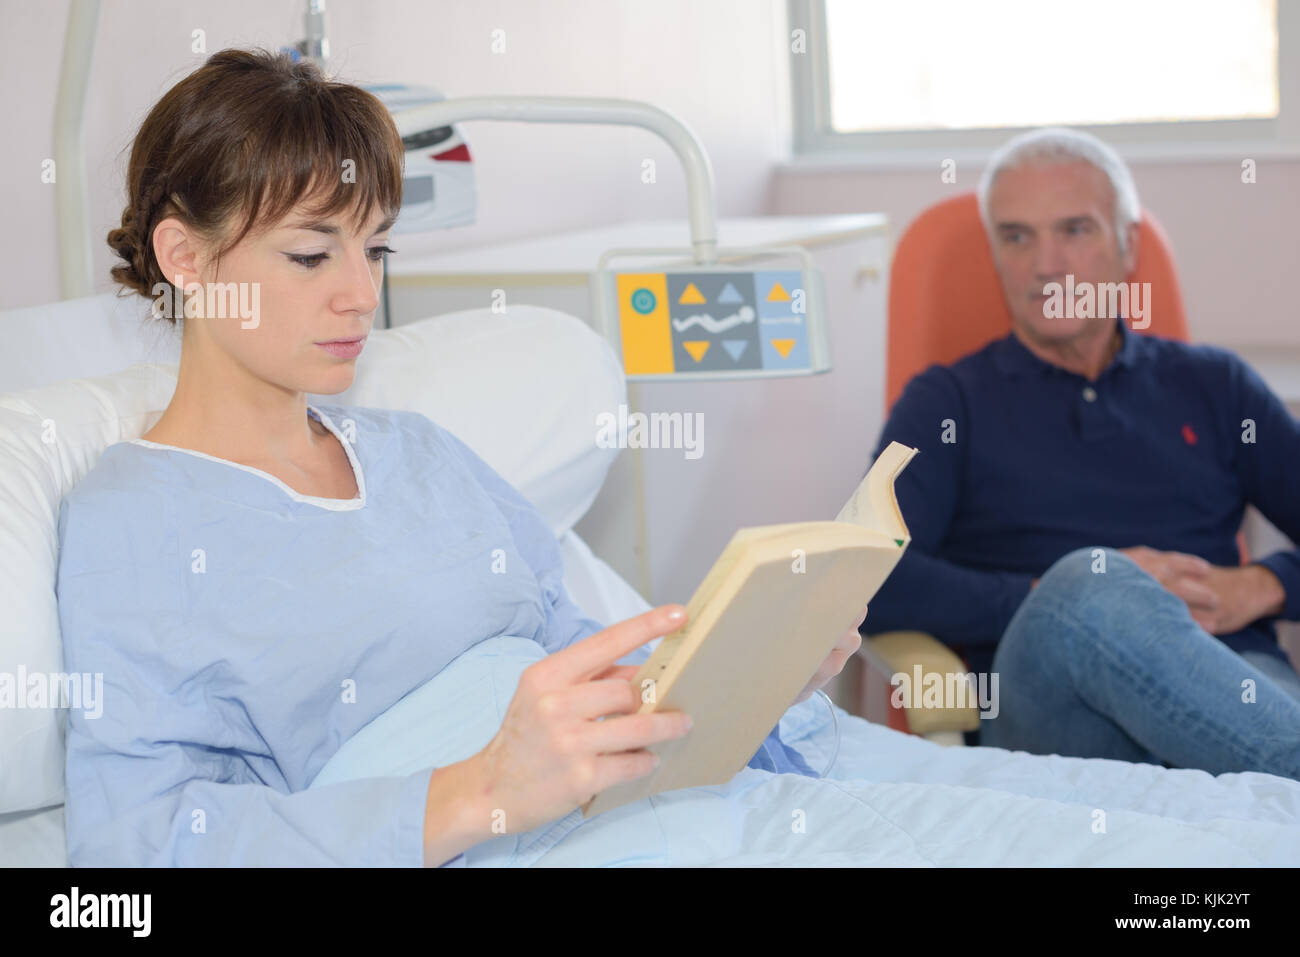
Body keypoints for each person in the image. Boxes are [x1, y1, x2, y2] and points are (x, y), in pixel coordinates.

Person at [56, 48, 859, 868]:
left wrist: (749, 679)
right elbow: (137, 845)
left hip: (672, 797)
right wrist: (479, 791)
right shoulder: (133, 523)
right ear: (186, 258)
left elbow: (578, 650)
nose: (362, 295)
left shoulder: (420, 454)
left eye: (375, 251)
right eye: (310, 255)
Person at [865, 126, 1300, 777]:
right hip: (1057, 720)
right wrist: (1043, 594)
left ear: (1127, 246)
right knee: (1090, 582)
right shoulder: (947, 402)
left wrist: (1266, 585)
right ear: (996, 256)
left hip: (1231, 685)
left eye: (1075, 230)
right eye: (1017, 237)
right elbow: (869, 573)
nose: (1046, 263)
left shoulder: (1213, 384)